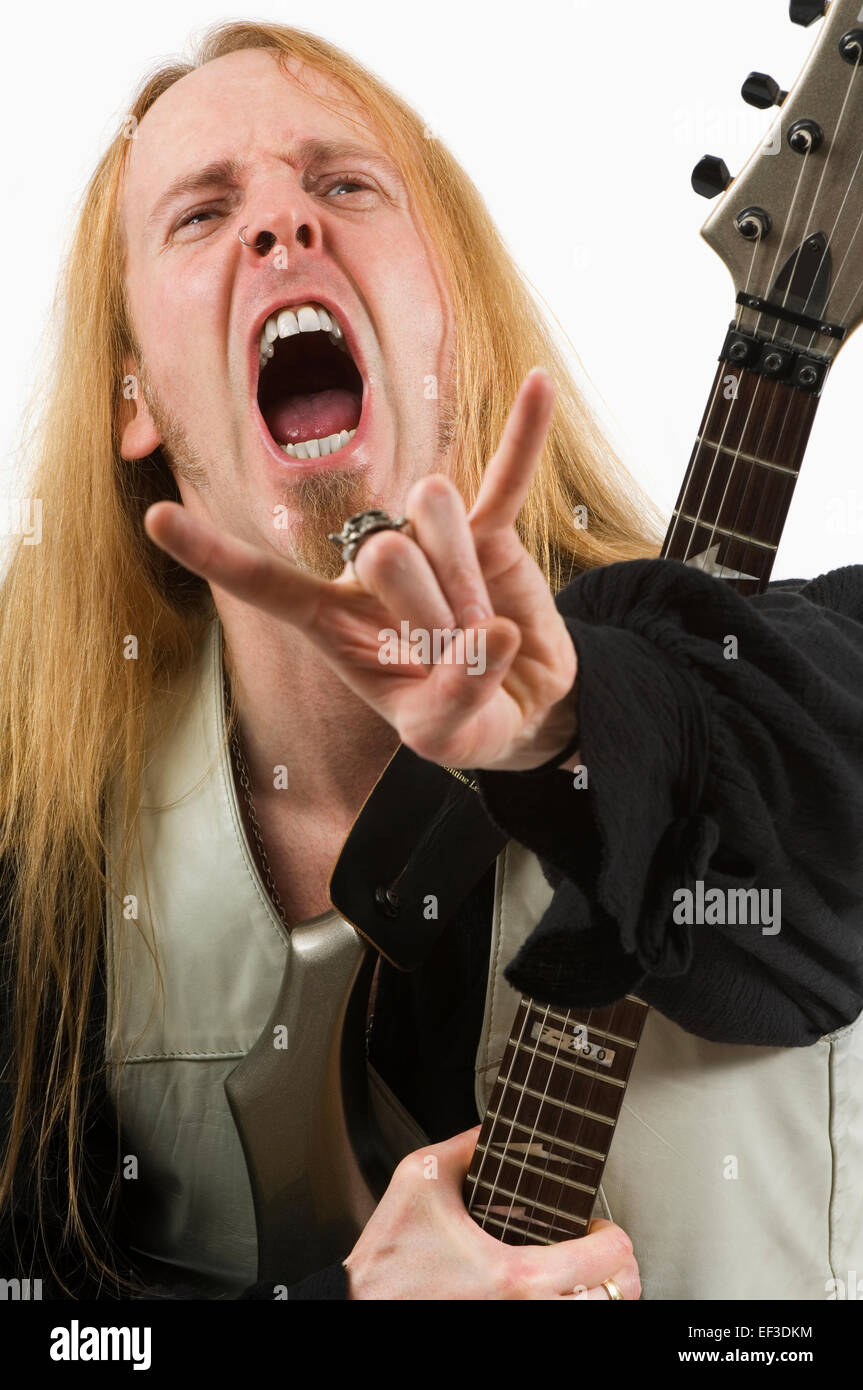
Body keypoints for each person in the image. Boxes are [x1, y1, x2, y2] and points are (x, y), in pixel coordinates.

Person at [1, 20, 861, 1302]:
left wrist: (577, 728)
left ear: (442, 315)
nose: (282, 226)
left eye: (343, 185)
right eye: (199, 213)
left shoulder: (773, 678)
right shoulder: (51, 829)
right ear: (134, 392)